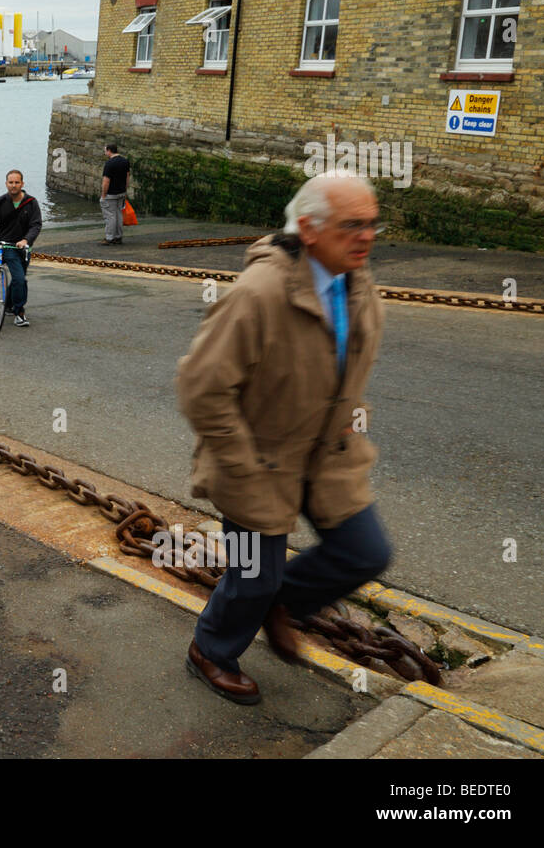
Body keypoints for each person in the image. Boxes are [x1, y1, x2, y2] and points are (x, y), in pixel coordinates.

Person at [175, 174, 390, 706]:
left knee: (365, 553)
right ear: (310, 229)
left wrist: (348, 417)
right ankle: (212, 650)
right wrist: (241, 460)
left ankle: (282, 604)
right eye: (352, 225)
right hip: (255, 461)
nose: (366, 236)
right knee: (252, 577)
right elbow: (201, 387)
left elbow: (349, 369)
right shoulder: (259, 294)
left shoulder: (356, 283)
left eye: (371, 223)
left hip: (326, 455)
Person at [0, 170, 42, 327]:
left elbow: (36, 225)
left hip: (24, 248)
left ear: (22, 184)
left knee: (19, 278)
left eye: (17, 182)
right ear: (6, 184)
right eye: (11, 182)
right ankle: (19, 312)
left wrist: (26, 240)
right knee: (19, 278)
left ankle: (9, 305)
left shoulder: (31, 203)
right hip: (5, 246)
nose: (14, 185)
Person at [101, 143, 132, 244]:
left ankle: (109, 237)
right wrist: (125, 189)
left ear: (109, 151)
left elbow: (106, 181)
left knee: (110, 216)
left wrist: (103, 194)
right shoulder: (125, 161)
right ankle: (118, 237)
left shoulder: (109, 164)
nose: (105, 153)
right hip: (121, 192)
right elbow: (127, 177)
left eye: (105, 151)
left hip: (111, 194)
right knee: (119, 214)